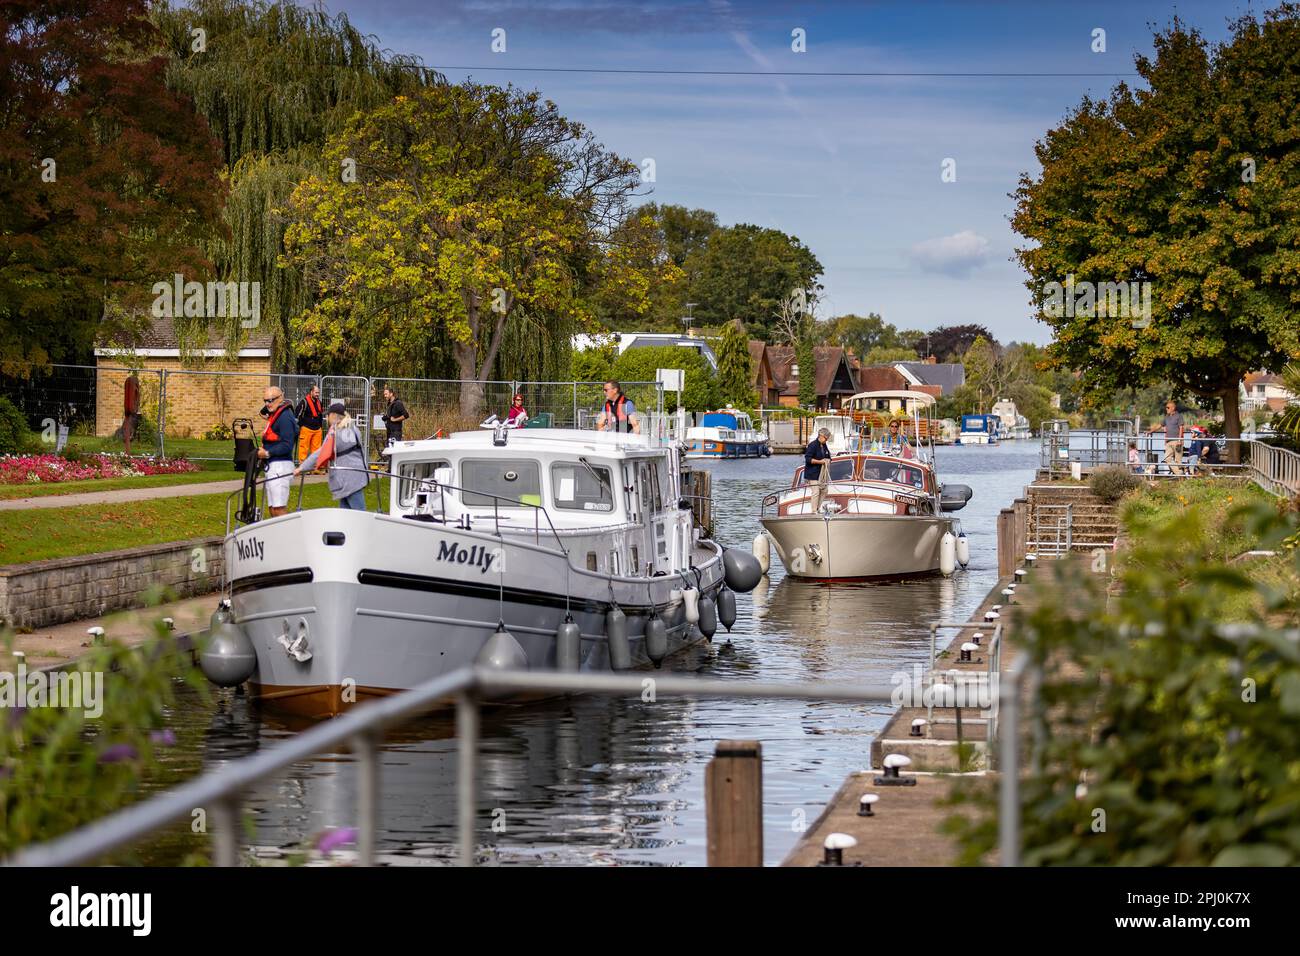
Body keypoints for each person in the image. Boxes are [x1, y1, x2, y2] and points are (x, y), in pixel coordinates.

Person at [295, 402, 370, 510]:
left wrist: (302, 468)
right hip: (357, 476)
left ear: (334, 416)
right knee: (347, 514)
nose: (326, 417)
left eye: (328, 415)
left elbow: (320, 453)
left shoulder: (335, 432)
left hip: (347, 479)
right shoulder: (353, 429)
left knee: (359, 514)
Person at [256, 385, 297, 517]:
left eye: (271, 400)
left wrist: (267, 453)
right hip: (272, 466)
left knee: (278, 508)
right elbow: (263, 411)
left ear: (281, 398)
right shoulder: (275, 415)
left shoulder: (285, 417)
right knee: (273, 509)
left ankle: (291, 535)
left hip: (281, 466)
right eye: (265, 401)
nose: (268, 404)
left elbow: (287, 444)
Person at [1147, 400, 1184, 476]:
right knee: (1167, 458)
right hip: (1168, 442)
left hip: (1177, 441)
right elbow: (1160, 425)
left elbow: (1181, 428)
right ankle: (1179, 474)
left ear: (1173, 408)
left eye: (1168, 408)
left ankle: (1181, 479)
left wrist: (1180, 440)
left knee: (1178, 461)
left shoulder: (1179, 416)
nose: (1166, 409)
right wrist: (1150, 431)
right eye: (1166, 408)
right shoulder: (1166, 417)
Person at [295, 384, 325, 469]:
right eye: (316, 392)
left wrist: (320, 427)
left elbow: (320, 416)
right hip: (306, 429)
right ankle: (303, 467)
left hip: (317, 429)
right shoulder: (304, 402)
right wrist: (301, 426)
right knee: (304, 449)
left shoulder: (319, 403)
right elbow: (297, 415)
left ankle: (315, 467)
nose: (317, 394)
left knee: (316, 450)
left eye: (318, 393)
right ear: (311, 392)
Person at [804, 427, 832, 512]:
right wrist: (820, 462)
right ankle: (813, 511)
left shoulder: (824, 445)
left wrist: (828, 460)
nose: (826, 440)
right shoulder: (812, 445)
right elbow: (808, 459)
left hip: (822, 474)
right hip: (812, 474)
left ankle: (817, 508)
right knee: (816, 491)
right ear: (821, 436)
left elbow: (828, 456)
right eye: (826, 438)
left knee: (824, 490)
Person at [123, 371, 140, 456]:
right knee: (127, 428)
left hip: (131, 409)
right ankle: (127, 453)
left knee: (129, 427)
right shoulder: (130, 384)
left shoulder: (135, 388)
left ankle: (127, 454)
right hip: (129, 409)